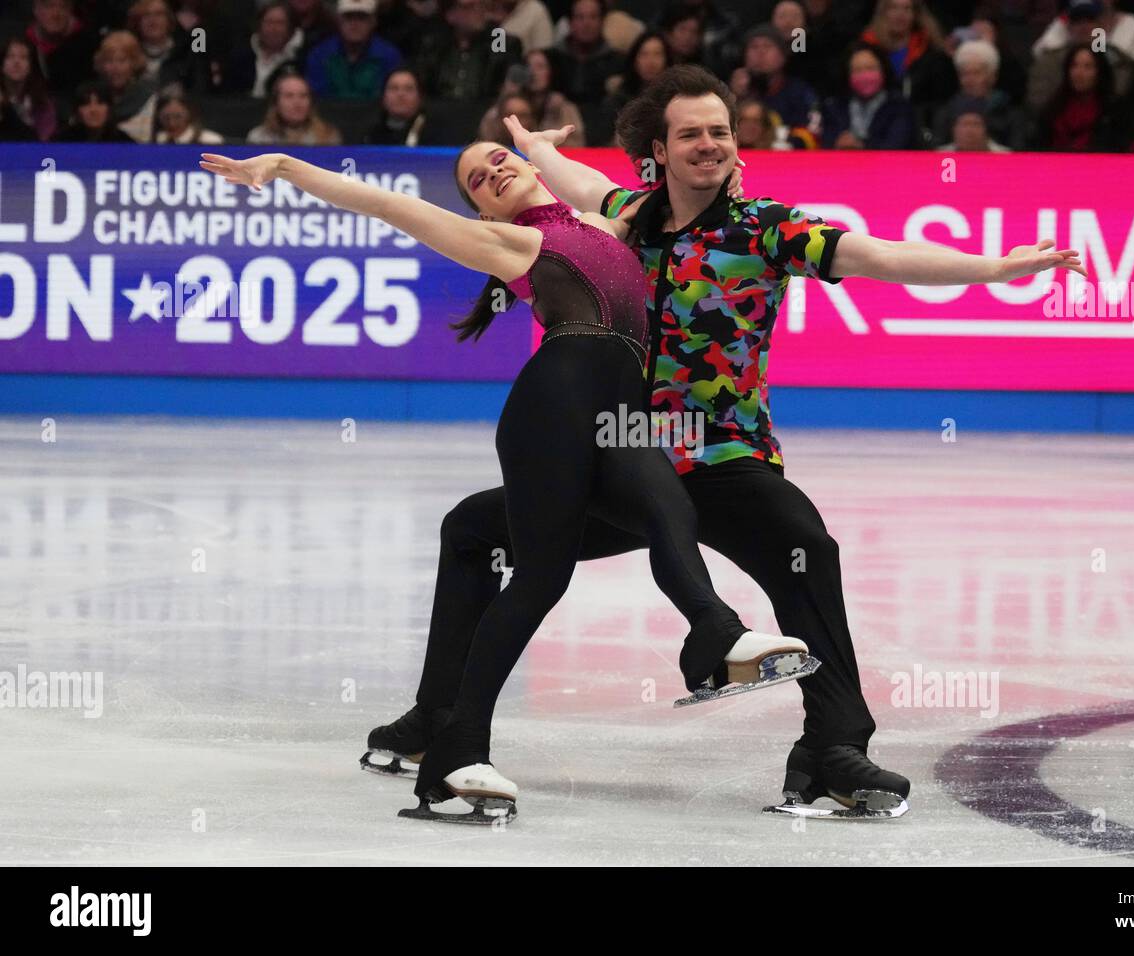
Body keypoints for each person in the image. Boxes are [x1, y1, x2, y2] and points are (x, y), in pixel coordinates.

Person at [368, 65, 1084, 821]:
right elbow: (576, 186)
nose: (709, 144)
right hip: (624, 457)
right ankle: (438, 722)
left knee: (807, 549)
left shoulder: (769, 229)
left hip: (724, 458)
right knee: (474, 530)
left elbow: (880, 255)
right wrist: (533, 149)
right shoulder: (629, 218)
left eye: (719, 131)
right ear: (660, 150)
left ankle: (831, 750)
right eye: (690, 134)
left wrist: (995, 269)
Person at [199, 142, 813, 824]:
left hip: (620, 414)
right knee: (540, 578)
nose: (492, 170)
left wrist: (714, 168)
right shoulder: (514, 242)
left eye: (497, 158)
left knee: (671, 508)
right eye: (476, 180)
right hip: (550, 412)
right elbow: (386, 204)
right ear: (483, 205)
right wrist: (283, 166)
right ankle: (455, 758)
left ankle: (714, 640)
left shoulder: (606, 226)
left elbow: (676, 198)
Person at [303, 0, 400, 100]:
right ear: (339, 21)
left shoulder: (389, 56)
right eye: (348, 18)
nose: (354, 24)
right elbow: (317, 100)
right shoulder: (319, 55)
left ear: (373, 22)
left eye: (362, 18)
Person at [221, 2, 305, 98]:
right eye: (269, 22)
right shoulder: (240, 57)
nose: (274, 28)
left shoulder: (300, 59)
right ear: (259, 26)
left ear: (290, 28)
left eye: (280, 23)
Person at [245, 68, 342, 144]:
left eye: (303, 96)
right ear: (276, 103)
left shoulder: (328, 137)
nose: (297, 103)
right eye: (289, 96)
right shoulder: (259, 138)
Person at [0, 34, 56, 142]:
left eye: (23, 57)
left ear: (31, 65)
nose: (16, 62)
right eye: (10, 56)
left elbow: (42, 144)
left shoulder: (42, 103)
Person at [365, 67, 438, 146]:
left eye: (408, 89)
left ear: (420, 98)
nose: (400, 94)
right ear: (383, 97)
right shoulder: (369, 135)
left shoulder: (437, 134)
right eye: (393, 88)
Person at [53, 79, 137, 141]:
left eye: (100, 103)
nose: (93, 110)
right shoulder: (61, 143)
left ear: (109, 109)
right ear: (77, 111)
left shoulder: (125, 144)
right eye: (86, 104)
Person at [152, 91, 224, 143]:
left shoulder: (210, 141)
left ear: (189, 114)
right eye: (166, 117)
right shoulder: (151, 141)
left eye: (178, 117)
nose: (172, 123)